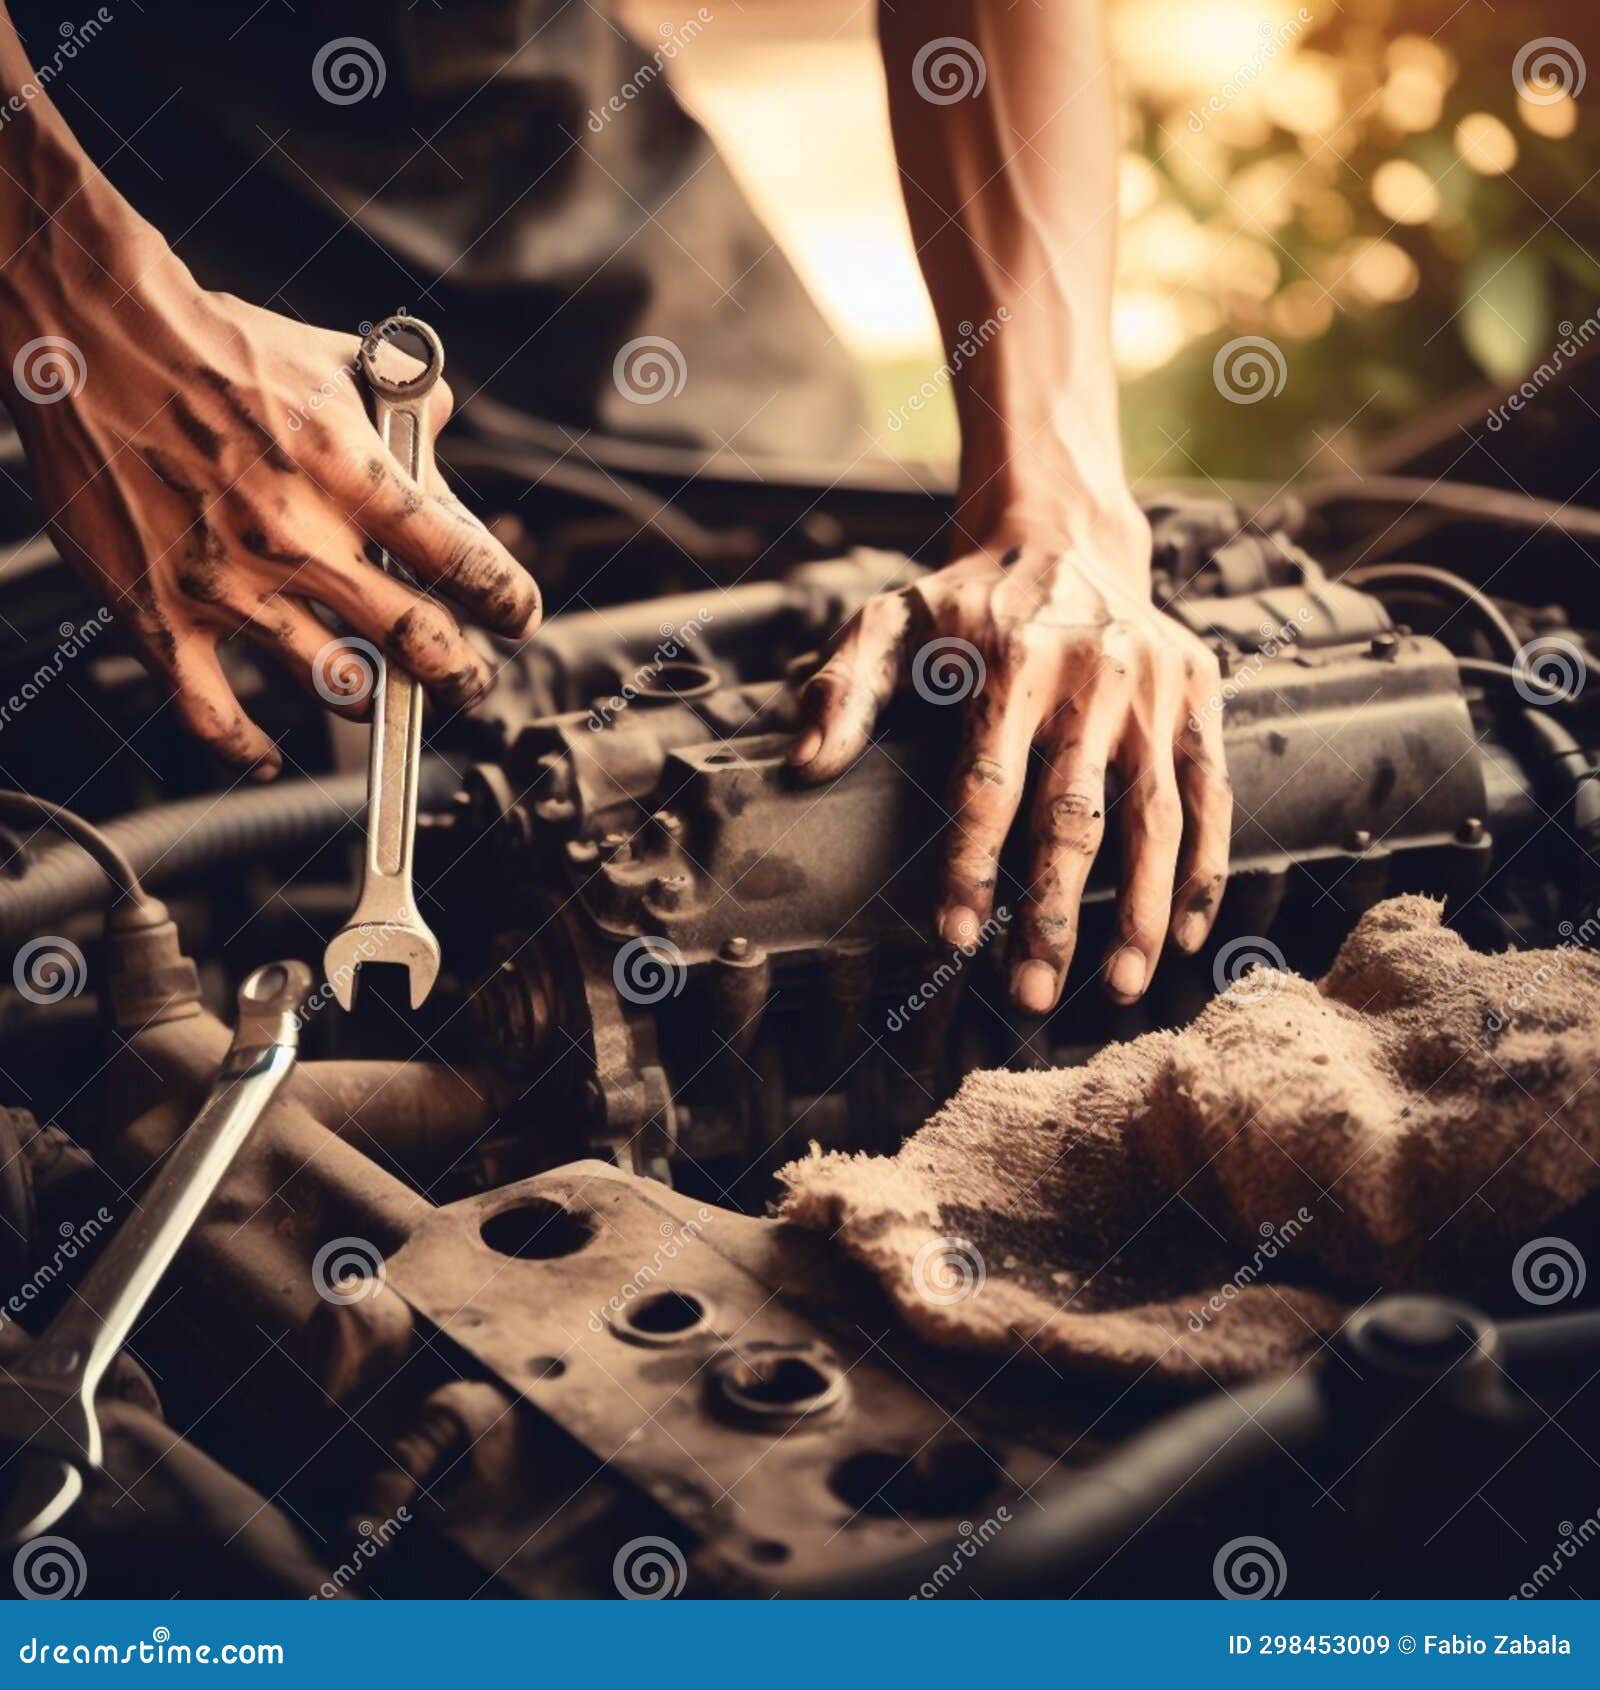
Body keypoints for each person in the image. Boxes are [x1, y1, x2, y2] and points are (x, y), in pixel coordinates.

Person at [0, 0, 1230, 1016]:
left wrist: (1056, 493)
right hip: (83, 167)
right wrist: (69, 289)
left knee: (869, 610)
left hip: (555, 173)